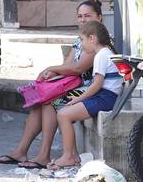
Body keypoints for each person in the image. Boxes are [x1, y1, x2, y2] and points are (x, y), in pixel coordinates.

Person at [0, 0, 103, 169]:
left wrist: (52, 67)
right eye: (80, 16)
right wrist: (53, 72)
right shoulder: (80, 39)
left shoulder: (97, 39)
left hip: (92, 90)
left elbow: (78, 68)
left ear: (99, 18)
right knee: (40, 100)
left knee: (50, 102)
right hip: (76, 86)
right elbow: (68, 65)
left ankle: (44, 155)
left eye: (87, 16)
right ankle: (21, 150)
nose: (83, 20)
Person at [49, 21, 121, 170]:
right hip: (106, 96)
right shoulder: (107, 52)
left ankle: (69, 156)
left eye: (82, 40)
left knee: (63, 115)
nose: (81, 45)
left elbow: (97, 84)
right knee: (64, 113)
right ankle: (72, 156)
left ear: (92, 39)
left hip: (106, 98)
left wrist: (79, 99)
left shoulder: (101, 55)